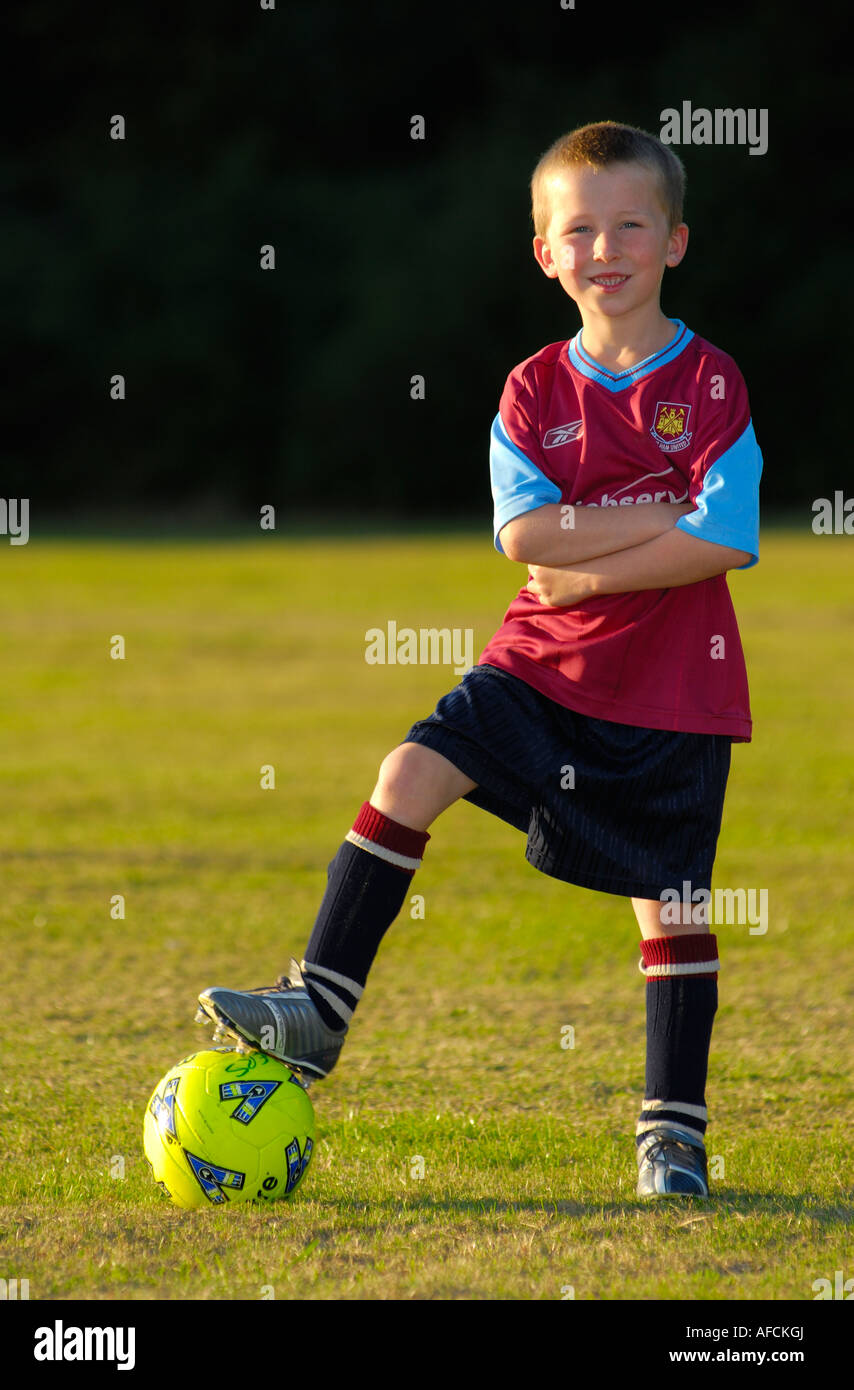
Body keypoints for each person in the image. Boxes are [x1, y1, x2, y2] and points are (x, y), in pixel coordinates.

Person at [195, 120, 762, 1198]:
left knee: (672, 904)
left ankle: (674, 1132)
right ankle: (318, 1006)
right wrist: (654, 525)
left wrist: (592, 566)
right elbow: (524, 541)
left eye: (630, 224)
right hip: (538, 664)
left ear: (675, 242)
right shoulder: (533, 391)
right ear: (544, 252)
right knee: (410, 772)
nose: (606, 248)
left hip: (676, 685)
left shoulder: (715, 383)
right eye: (579, 228)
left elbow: (725, 536)